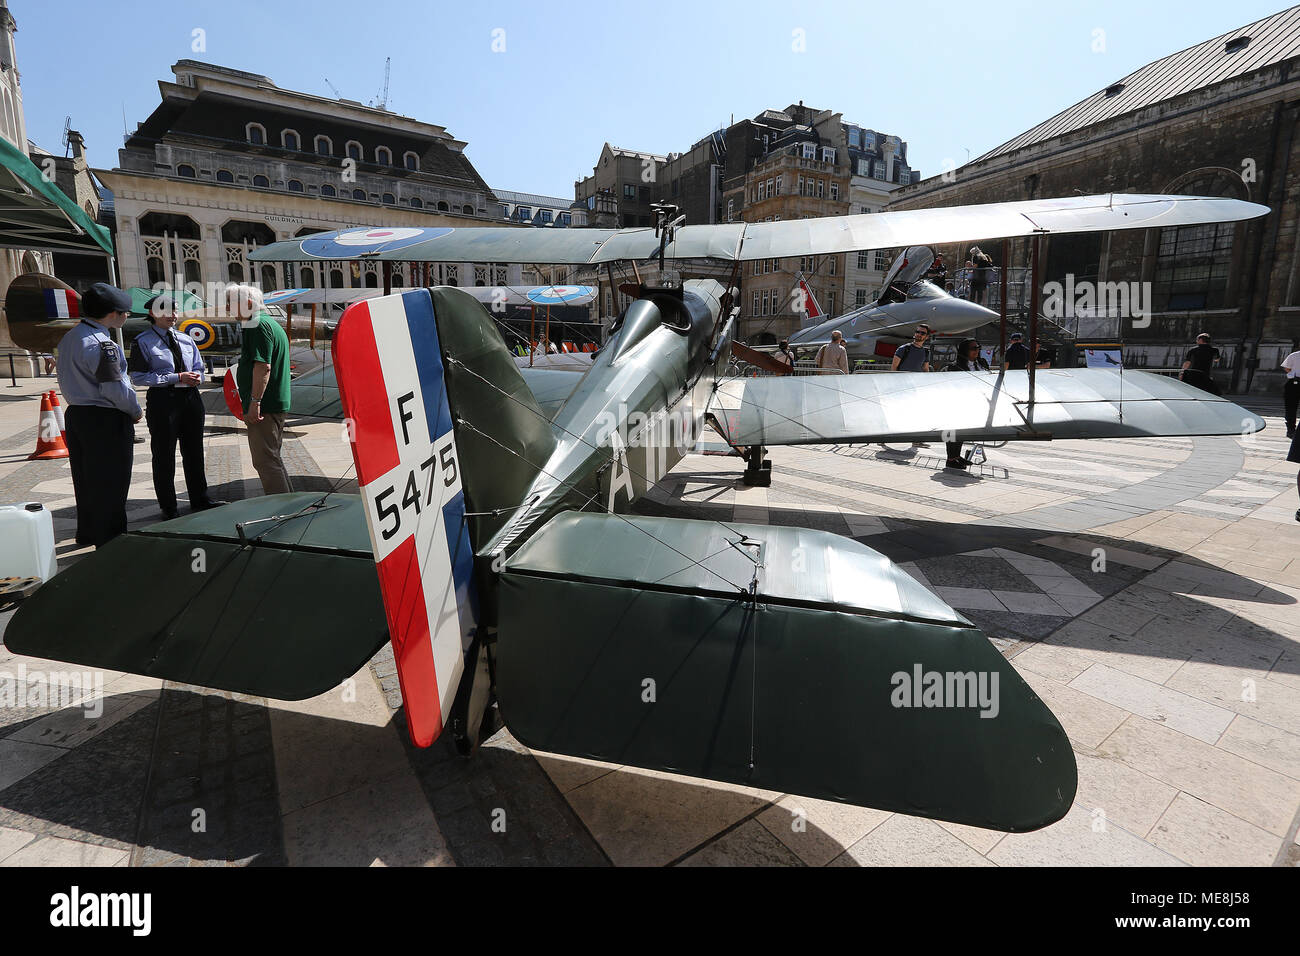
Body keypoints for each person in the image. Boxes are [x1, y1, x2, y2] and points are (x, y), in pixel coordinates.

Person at [55, 282, 142, 548]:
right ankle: (111, 543)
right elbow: (114, 389)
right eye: (125, 311)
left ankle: (89, 532)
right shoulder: (104, 345)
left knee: (86, 479)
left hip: (78, 415)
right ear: (114, 313)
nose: (127, 316)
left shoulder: (70, 337)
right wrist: (135, 410)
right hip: (105, 419)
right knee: (111, 484)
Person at [128, 295, 224, 519]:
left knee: (194, 451)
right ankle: (168, 505)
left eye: (174, 310)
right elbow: (139, 377)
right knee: (164, 454)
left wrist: (197, 377)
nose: (172, 315)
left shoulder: (185, 339)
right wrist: (176, 377)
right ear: (152, 314)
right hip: (164, 401)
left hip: (191, 398)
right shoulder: (143, 341)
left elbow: (200, 367)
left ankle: (200, 498)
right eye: (166, 310)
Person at [231, 284, 293, 495]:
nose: (229, 308)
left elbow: (262, 366)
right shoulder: (268, 323)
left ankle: (283, 511)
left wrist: (255, 402)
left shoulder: (256, 324)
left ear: (248, 304)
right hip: (273, 402)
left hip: (265, 406)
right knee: (272, 458)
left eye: (232, 303)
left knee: (265, 461)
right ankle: (290, 504)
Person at [943, 339, 990, 469]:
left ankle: (957, 456)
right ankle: (951, 458)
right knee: (952, 431)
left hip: (975, 402)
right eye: (973, 348)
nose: (977, 350)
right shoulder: (954, 367)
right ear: (965, 350)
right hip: (958, 403)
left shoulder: (982, 362)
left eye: (978, 347)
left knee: (963, 431)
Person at [1281, 347, 1299, 439]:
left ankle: (1291, 430)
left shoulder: (1294, 355)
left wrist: (1294, 373)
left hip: (1294, 381)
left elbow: (1287, 368)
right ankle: (1291, 429)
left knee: (1291, 407)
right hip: (1294, 382)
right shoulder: (1294, 355)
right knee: (1291, 407)